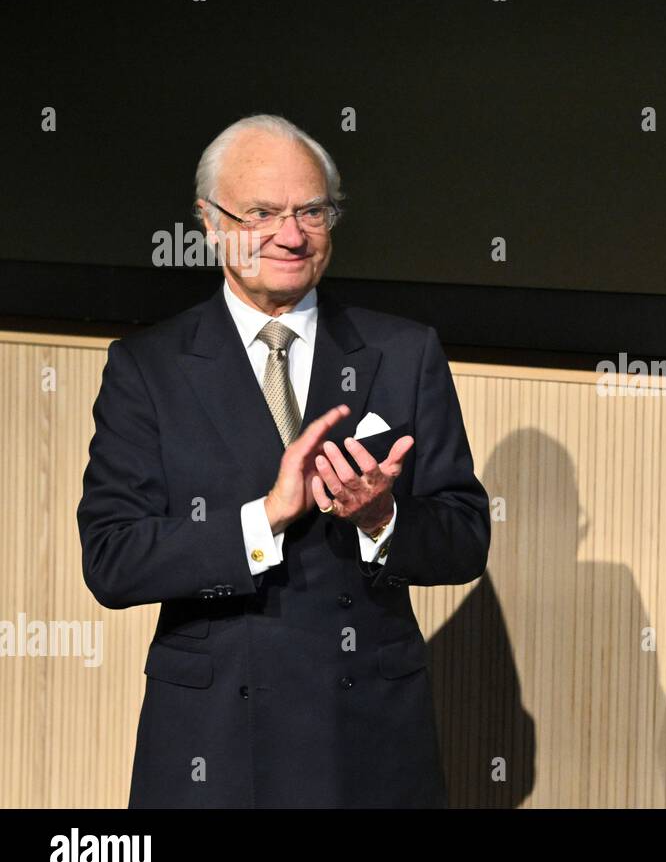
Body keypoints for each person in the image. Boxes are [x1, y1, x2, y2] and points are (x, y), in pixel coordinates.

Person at [77, 114, 490, 807]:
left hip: (367, 741)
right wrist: (263, 519)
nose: (292, 236)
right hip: (214, 746)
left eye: (311, 212)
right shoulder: (147, 368)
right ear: (209, 222)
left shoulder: (403, 353)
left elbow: (465, 540)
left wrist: (383, 519)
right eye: (262, 213)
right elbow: (113, 559)